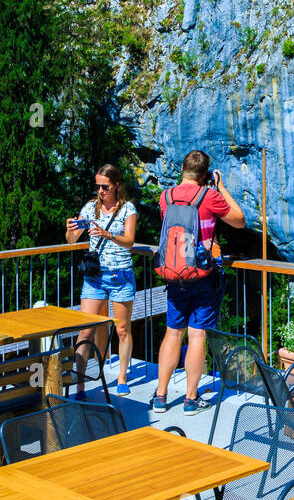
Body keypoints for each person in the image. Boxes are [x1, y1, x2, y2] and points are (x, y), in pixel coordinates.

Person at [152, 150, 245, 414]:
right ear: (205, 174)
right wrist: (221, 188)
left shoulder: (166, 196)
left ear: (182, 169)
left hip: (174, 272)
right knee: (196, 335)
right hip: (204, 272)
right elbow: (239, 220)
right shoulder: (209, 196)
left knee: (173, 333)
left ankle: (160, 396)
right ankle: (190, 400)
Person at [65, 164, 138, 396]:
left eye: (104, 186)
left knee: (122, 329)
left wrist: (107, 234)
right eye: (97, 186)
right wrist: (71, 230)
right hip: (94, 277)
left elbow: (129, 241)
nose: (100, 191)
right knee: (85, 331)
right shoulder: (89, 208)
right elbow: (71, 240)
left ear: (116, 185)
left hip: (120, 275)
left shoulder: (128, 210)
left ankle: (122, 377)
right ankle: (79, 384)